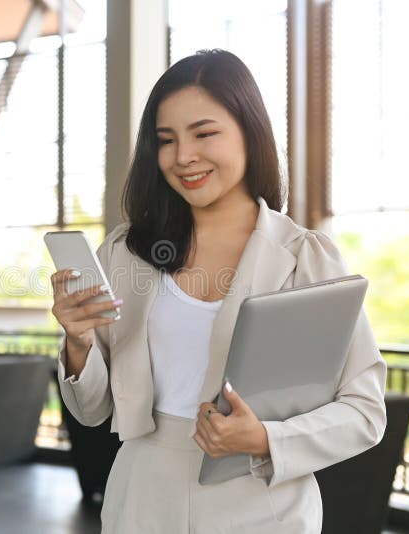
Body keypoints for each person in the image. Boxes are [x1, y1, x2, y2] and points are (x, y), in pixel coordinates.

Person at [50, 49, 387, 533]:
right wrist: (79, 345)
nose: (183, 156)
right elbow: (91, 410)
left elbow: (364, 411)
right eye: (166, 140)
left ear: (250, 133)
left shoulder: (307, 258)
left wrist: (267, 438)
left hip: (261, 504)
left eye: (204, 134)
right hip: (143, 496)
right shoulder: (126, 252)